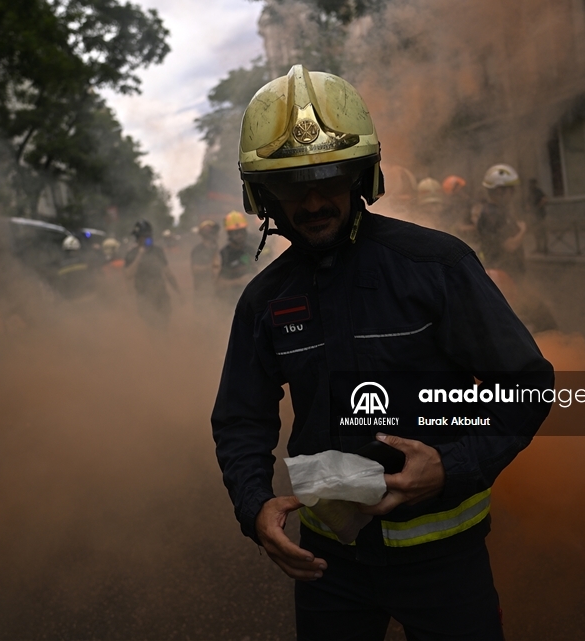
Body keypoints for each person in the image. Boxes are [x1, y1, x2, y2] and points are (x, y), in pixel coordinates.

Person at [211, 64, 553, 640]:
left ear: (361, 175)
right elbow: (241, 417)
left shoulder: (437, 266)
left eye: (331, 177)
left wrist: (451, 466)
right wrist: (255, 507)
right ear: (264, 193)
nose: (314, 200)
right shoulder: (265, 301)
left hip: (446, 560)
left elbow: (527, 386)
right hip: (331, 564)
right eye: (295, 185)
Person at [124, 219, 180, 328]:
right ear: (138, 238)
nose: (147, 239)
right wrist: (139, 256)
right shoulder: (132, 254)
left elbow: (168, 273)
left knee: (164, 327)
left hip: (161, 296)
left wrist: (178, 291)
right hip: (144, 298)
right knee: (151, 328)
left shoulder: (157, 251)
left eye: (148, 236)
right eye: (143, 236)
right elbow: (128, 275)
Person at [476, 165, 528, 278]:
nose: (513, 193)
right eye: (511, 189)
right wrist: (523, 230)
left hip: (508, 274)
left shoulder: (499, 211)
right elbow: (510, 245)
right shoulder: (492, 214)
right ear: (499, 190)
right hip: (501, 275)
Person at [214, 210, 261, 307]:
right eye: (235, 233)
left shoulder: (252, 250)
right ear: (229, 234)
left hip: (253, 302)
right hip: (231, 305)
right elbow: (217, 284)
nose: (239, 235)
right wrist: (239, 282)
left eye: (242, 232)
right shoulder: (223, 255)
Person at [191, 219, 220, 304]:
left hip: (216, 289)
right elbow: (195, 269)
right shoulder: (198, 250)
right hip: (202, 290)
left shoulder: (216, 248)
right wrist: (211, 266)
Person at [525, 178, 548, 254]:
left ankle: (545, 247)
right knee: (536, 232)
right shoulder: (530, 193)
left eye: (532, 184)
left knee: (542, 231)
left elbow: (544, 199)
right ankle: (538, 247)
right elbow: (528, 202)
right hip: (534, 215)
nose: (531, 185)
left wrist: (538, 207)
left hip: (540, 214)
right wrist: (529, 209)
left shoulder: (538, 191)